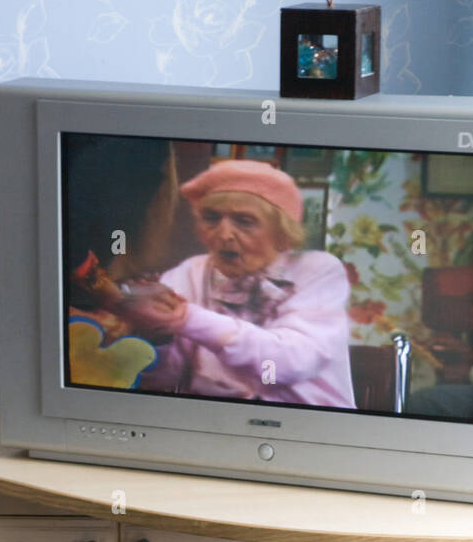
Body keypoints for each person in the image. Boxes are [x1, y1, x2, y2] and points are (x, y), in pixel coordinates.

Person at [128, 159, 357, 408]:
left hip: (309, 427)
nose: (224, 234)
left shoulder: (318, 270)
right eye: (211, 218)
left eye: (244, 221)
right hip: (216, 422)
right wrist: (153, 334)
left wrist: (186, 318)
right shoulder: (188, 273)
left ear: (281, 230)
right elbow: (163, 380)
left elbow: (288, 362)